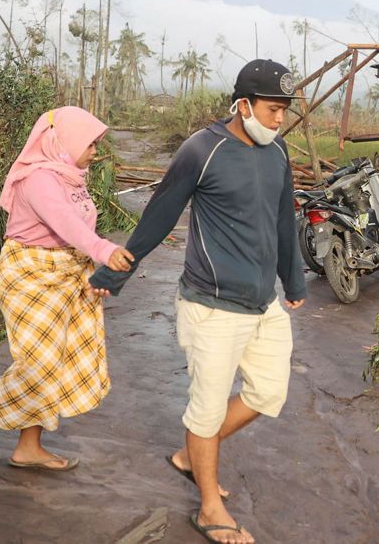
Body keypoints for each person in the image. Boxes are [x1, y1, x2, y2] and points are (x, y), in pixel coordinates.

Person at [90, 59, 307, 544]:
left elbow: (282, 221)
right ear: (244, 105)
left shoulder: (278, 153)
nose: (279, 120)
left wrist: (293, 282)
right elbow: (160, 212)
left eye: (284, 113)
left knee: (268, 393)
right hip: (210, 305)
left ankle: (192, 454)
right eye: (273, 110)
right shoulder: (202, 149)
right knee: (206, 409)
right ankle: (209, 508)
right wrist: (117, 271)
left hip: (262, 303)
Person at [0, 106, 134, 471]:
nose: (95, 152)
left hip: (67, 270)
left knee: (57, 360)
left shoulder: (71, 176)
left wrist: (94, 274)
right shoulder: (39, 178)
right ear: (65, 141)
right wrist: (105, 251)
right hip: (30, 273)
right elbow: (67, 223)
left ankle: (29, 446)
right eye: (90, 144)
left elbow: (75, 233)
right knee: (39, 362)